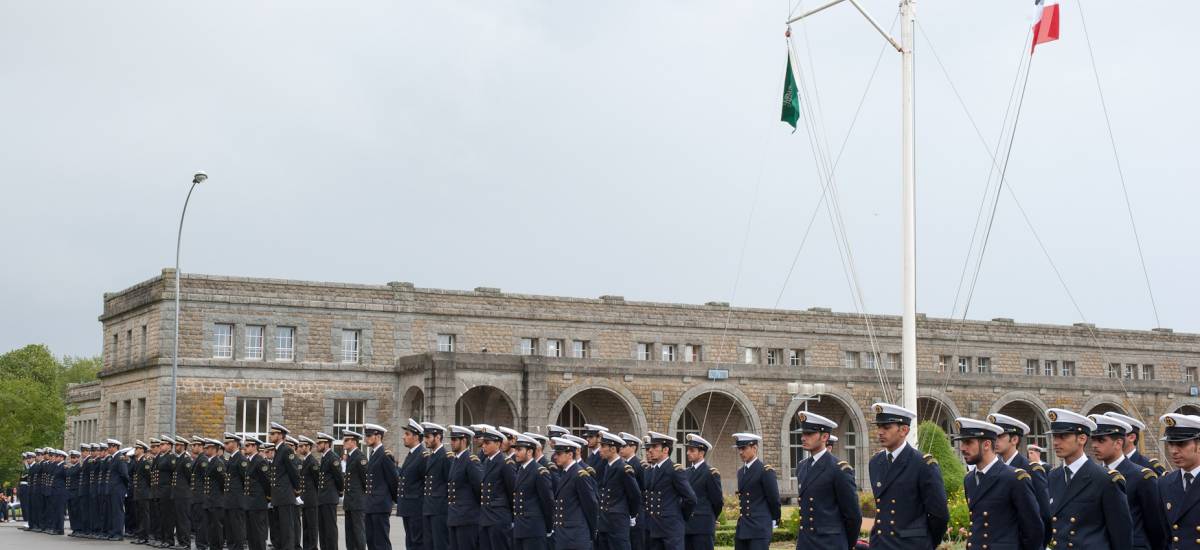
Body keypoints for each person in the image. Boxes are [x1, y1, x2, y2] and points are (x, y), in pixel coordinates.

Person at [1044, 408, 1132, 549]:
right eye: (1055, 436)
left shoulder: (1105, 479)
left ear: (1082, 439)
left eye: (1063, 436)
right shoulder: (1054, 476)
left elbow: (1121, 534)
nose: (1055, 442)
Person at [866, 403, 949, 550]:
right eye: (879, 427)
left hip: (910, 545)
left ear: (904, 430)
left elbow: (939, 514)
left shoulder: (922, 464)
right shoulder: (875, 462)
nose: (880, 432)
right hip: (881, 543)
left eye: (886, 427)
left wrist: (927, 542)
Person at [952, 417, 1043, 550]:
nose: (962, 448)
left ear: (987, 444)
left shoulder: (1014, 478)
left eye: (968, 442)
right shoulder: (969, 479)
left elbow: (1033, 530)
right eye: (962, 443)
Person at [1089, 414, 1167, 550]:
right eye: (1093, 440)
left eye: (1101, 440)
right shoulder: (1093, 474)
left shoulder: (1142, 476)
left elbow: (1155, 525)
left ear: (1118, 443)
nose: (1094, 445)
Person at [792, 412, 860, 550]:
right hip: (806, 543)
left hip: (830, 543)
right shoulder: (802, 466)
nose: (803, 438)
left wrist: (846, 544)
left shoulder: (839, 469)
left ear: (824, 437)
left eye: (809, 434)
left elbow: (853, 515)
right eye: (803, 433)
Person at [987, 412, 1050, 541]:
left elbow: (1044, 515)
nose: (995, 441)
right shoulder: (993, 469)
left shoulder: (1031, 470)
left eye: (1000, 436)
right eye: (994, 436)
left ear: (1014, 440)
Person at [642, 431, 695, 550]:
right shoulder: (650, 470)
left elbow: (690, 498)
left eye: (655, 447)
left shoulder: (674, 470)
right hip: (654, 527)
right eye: (650, 447)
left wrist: (678, 515)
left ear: (665, 450)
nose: (650, 450)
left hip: (671, 528)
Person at [1158, 412, 1200, 550]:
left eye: (1181, 443)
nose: (1173, 451)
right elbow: (1164, 535)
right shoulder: (1164, 483)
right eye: (1171, 444)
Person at [731, 434, 778, 550]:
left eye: (744, 448)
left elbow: (774, 499)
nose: (741, 452)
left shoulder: (765, 470)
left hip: (759, 527)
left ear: (754, 448)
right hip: (743, 527)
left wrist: (774, 519)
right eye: (739, 449)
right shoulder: (741, 472)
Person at [550, 437, 598, 550]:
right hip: (564, 535)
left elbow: (591, 505)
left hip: (575, 535)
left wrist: (591, 531)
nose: (555, 457)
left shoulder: (580, 475)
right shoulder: (565, 472)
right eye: (556, 453)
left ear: (570, 454)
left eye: (559, 454)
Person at [595, 431, 641, 550]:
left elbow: (635, 495)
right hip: (605, 521)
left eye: (603, 446)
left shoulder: (623, 468)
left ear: (613, 449)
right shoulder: (607, 466)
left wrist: (630, 515)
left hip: (618, 522)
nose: (600, 450)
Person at [512, 434, 554, 550]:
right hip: (520, 528)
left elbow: (547, 502)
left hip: (534, 529)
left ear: (530, 451)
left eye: (519, 450)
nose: (516, 453)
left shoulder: (539, 471)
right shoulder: (521, 469)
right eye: (515, 449)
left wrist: (548, 528)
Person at [681, 434, 721, 550]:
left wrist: (710, 517)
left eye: (692, 450)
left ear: (701, 453)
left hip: (703, 526)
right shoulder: (686, 472)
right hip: (687, 526)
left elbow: (717, 502)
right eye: (688, 450)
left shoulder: (710, 473)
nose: (688, 453)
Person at [479, 427, 517, 550]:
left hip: (499, 518)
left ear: (498, 444)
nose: (483, 446)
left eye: (487, 443)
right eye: (483, 443)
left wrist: (512, 518)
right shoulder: (486, 462)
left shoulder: (506, 463)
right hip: (485, 517)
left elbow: (512, 493)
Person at [446, 425, 482, 550]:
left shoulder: (471, 461)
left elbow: (479, 489)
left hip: (467, 518)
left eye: (454, 439)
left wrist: (471, 510)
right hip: (454, 517)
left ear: (464, 441)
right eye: (451, 439)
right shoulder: (455, 460)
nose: (451, 442)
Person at [268, 423, 302, 550]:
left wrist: (297, 490)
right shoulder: (278, 451)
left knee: (287, 531)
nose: (270, 436)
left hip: (285, 496)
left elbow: (294, 472)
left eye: (273, 434)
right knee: (279, 531)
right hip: (278, 497)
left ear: (280, 435)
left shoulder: (286, 450)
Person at [421, 422, 452, 550]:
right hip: (429, 507)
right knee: (428, 544)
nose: (425, 440)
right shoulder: (431, 456)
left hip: (440, 509)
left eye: (428, 437)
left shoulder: (445, 457)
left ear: (438, 437)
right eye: (425, 437)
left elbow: (450, 484)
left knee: (440, 544)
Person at [396, 419, 426, 550]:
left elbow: (426, 483)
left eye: (407, 434)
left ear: (416, 437)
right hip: (408, 507)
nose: (404, 437)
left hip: (417, 508)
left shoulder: (422, 455)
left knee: (417, 543)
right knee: (410, 542)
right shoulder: (412, 454)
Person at [617, 433, 646, 550]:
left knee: (636, 543)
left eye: (624, 446)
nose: (621, 449)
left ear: (633, 447)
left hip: (636, 512)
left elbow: (643, 489)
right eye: (621, 446)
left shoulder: (638, 465)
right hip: (626, 510)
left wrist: (636, 512)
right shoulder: (623, 464)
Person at [243, 436, 271, 550]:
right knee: (251, 535)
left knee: (258, 534)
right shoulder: (249, 461)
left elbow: (267, 481)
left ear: (255, 446)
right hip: (249, 503)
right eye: (245, 445)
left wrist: (267, 498)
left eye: (247, 445)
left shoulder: (260, 461)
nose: (245, 447)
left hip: (258, 503)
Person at [342, 429, 368, 550]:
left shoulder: (360, 457)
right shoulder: (351, 457)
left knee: (358, 534)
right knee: (350, 535)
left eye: (346, 440)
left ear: (354, 442)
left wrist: (363, 498)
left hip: (357, 502)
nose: (344, 442)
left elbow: (366, 481)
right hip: (349, 502)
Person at [202, 439, 226, 550]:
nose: (205, 450)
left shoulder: (218, 463)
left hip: (216, 501)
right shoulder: (210, 462)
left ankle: (218, 547)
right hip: (209, 501)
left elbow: (224, 482)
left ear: (213, 449)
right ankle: (213, 547)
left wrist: (219, 496)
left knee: (216, 528)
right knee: (210, 528)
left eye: (207, 448)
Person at [297, 435, 320, 550]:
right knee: (306, 527)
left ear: (308, 447)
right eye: (299, 446)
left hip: (311, 500)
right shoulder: (305, 461)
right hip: (305, 500)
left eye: (302, 446)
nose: (300, 448)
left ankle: (312, 548)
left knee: (312, 527)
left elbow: (317, 482)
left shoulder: (312, 462)